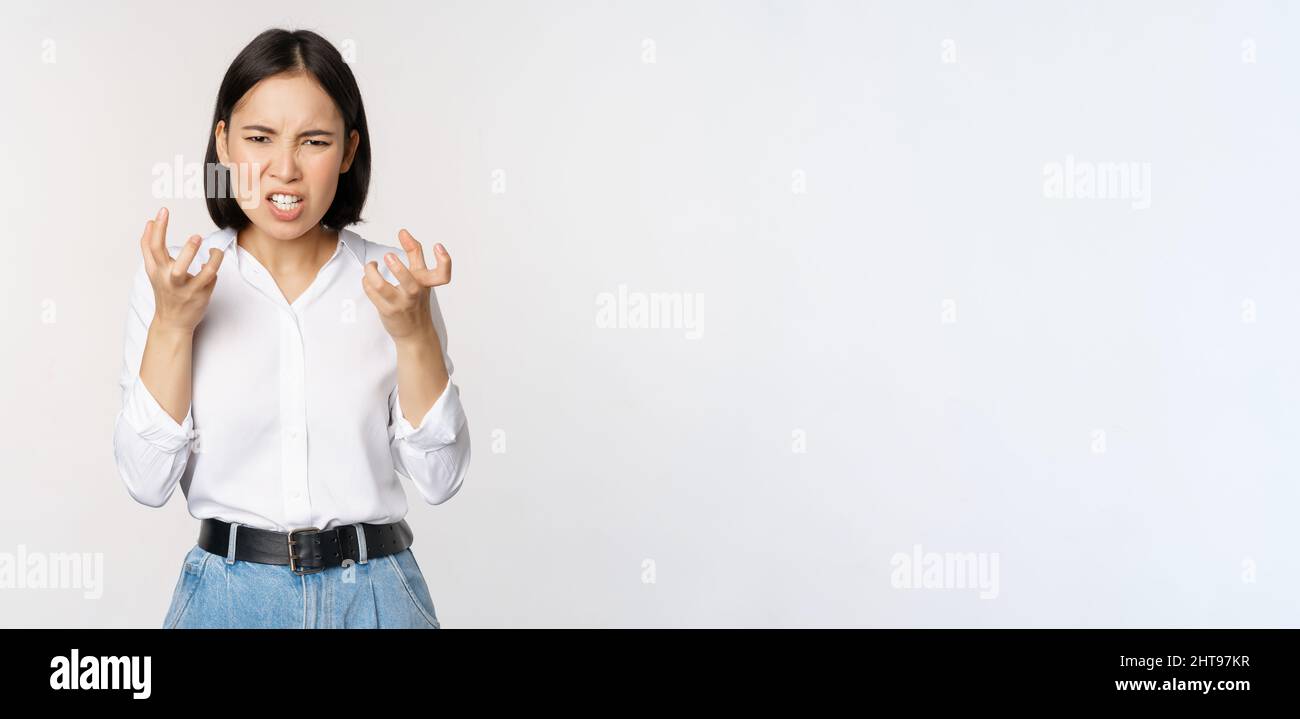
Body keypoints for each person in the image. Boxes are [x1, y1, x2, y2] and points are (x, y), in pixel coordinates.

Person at [111, 28, 470, 629]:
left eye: (314, 141)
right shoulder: (175, 282)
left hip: (377, 595)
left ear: (349, 151)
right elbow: (146, 482)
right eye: (259, 138)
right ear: (224, 142)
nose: (285, 169)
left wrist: (414, 335)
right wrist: (173, 326)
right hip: (227, 599)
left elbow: (441, 479)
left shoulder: (395, 282)